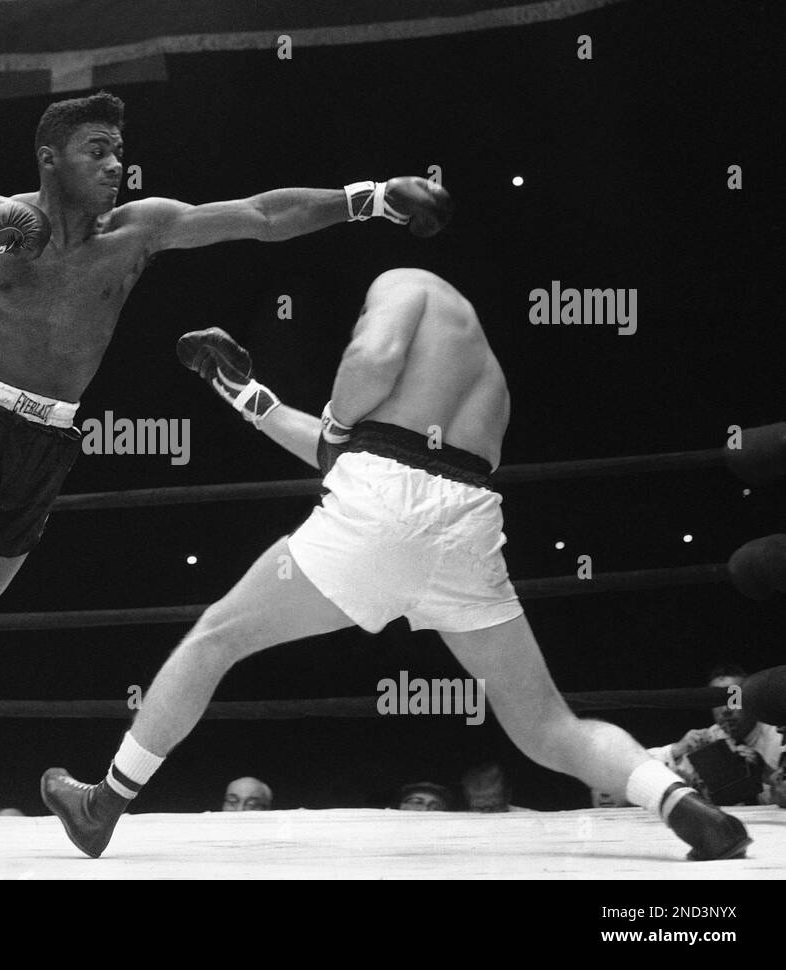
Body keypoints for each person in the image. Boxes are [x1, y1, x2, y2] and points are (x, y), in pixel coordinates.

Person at [0, 90, 452, 864]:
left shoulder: (137, 231)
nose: (115, 164)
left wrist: (366, 200)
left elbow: (259, 215)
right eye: (97, 149)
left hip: (49, 442)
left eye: (119, 151)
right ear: (49, 158)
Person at [41, 268, 750, 863]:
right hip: (465, 527)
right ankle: (679, 802)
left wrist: (341, 416)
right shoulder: (479, 381)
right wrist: (246, 398)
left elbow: (369, 373)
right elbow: (345, 449)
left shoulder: (409, 283)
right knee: (548, 727)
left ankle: (104, 804)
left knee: (215, 638)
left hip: (381, 507)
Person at [649, 665, 784, 806]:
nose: (726, 710)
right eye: (717, 700)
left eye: (734, 698)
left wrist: (764, 772)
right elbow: (640, 771)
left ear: (751, 698)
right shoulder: (706, 740)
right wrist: (678, 749)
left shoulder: (779, 734)